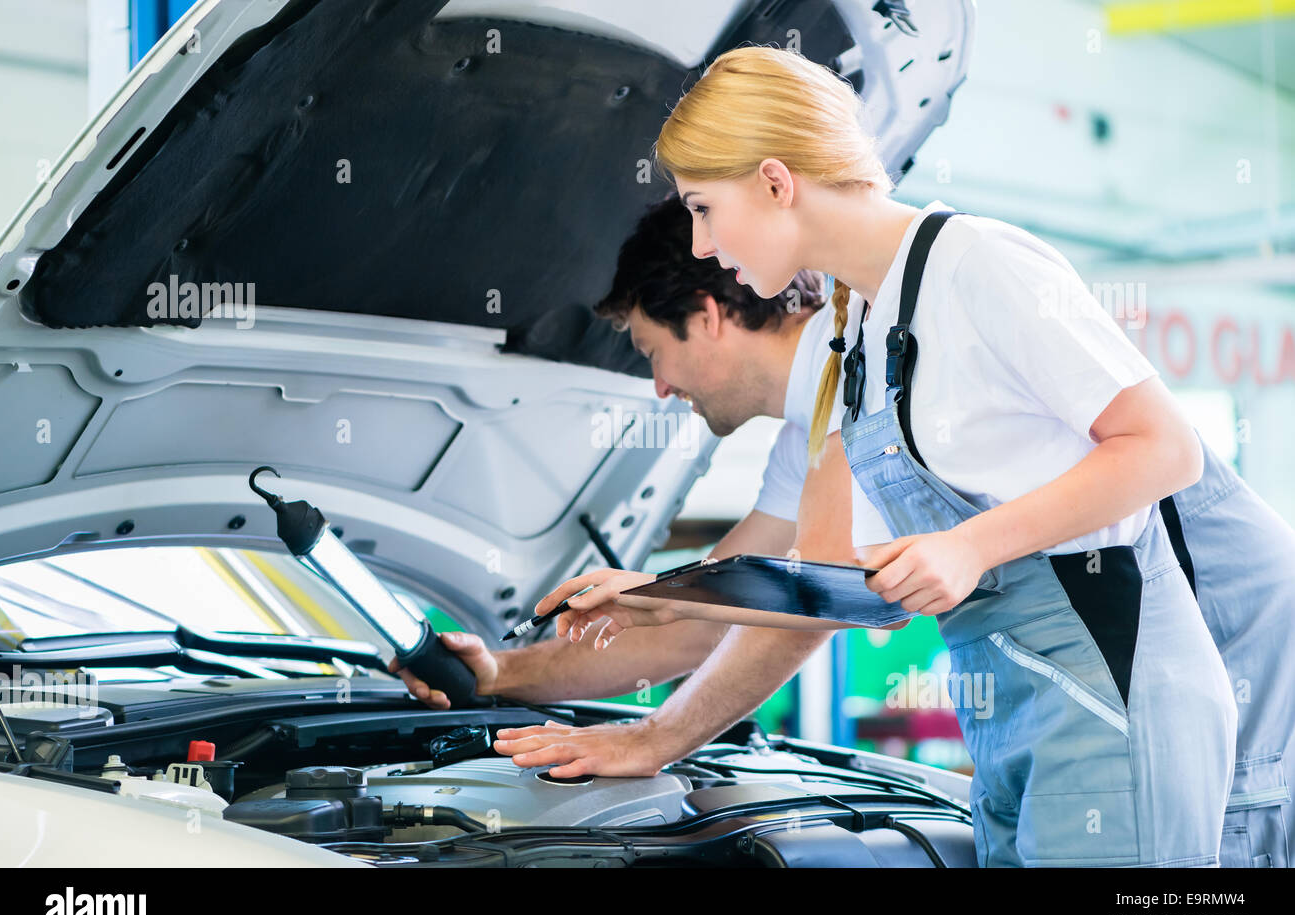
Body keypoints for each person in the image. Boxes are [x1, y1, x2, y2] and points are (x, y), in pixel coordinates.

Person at [495, 46, 1250, 868]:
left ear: (777, 183)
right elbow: (826, 585)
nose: (704, 245)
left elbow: (1163, 446)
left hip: (1112, 690)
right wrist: (657, 597)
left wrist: (970, 544)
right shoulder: (858, 326)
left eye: (705, 209)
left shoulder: (979, 264)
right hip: (1011, 709)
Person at [393, 192, 904, 733]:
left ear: (707, 317)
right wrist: (496, 673)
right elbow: (698, 628)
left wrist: (649, 742)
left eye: (653, 350)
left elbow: (814, 594)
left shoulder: (864, 363)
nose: (661, 389)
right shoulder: (804, 439)